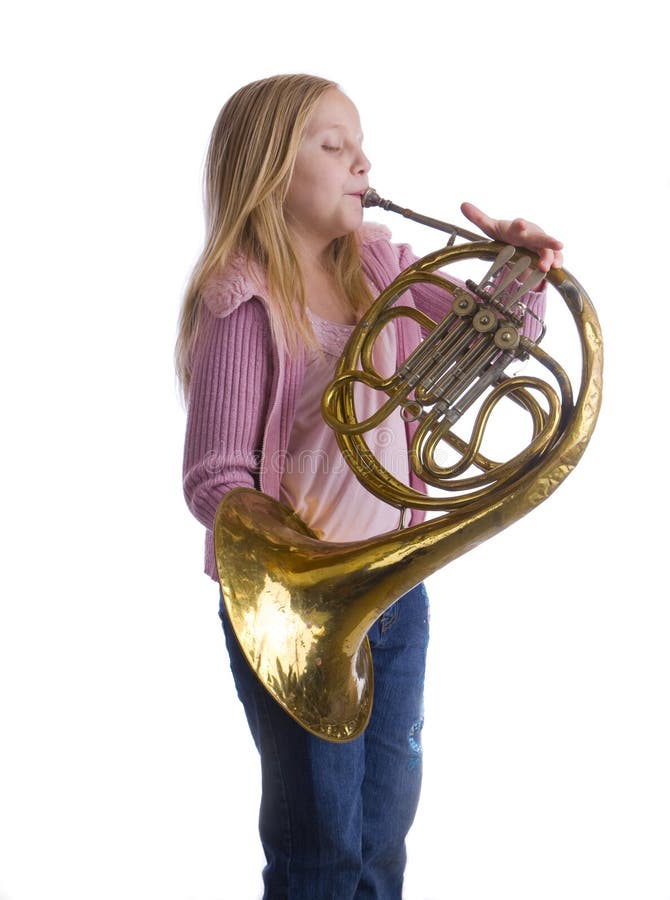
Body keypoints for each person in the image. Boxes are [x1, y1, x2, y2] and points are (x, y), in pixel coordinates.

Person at [176, 73, 564, 899]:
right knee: (320, 846)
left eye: (362, 146)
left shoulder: (384, 266)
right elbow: (216, 476)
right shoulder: (246, 299)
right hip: (291, 617)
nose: (363, 161)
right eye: (334, 146)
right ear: (272, 170)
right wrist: (309, 568)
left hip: (397, 597)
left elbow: (503, 338)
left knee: (385, 835)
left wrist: (519, 272)